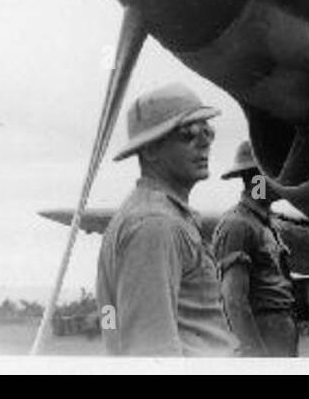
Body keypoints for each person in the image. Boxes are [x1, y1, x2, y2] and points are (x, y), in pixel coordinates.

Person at [95, 83, 236, 356]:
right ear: (150, 151)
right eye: (189, 133)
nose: (204, 141)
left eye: (208, 131)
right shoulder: (154, 224)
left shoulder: (156, 216)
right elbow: (152, 353)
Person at [212, 140, 299, 356]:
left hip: (280, 330)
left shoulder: (265, 223)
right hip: (262, 332)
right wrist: (255, 354)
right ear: (258, 178)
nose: (283, 179)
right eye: (276, 172)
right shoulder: (238, 224)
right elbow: (234, 300)